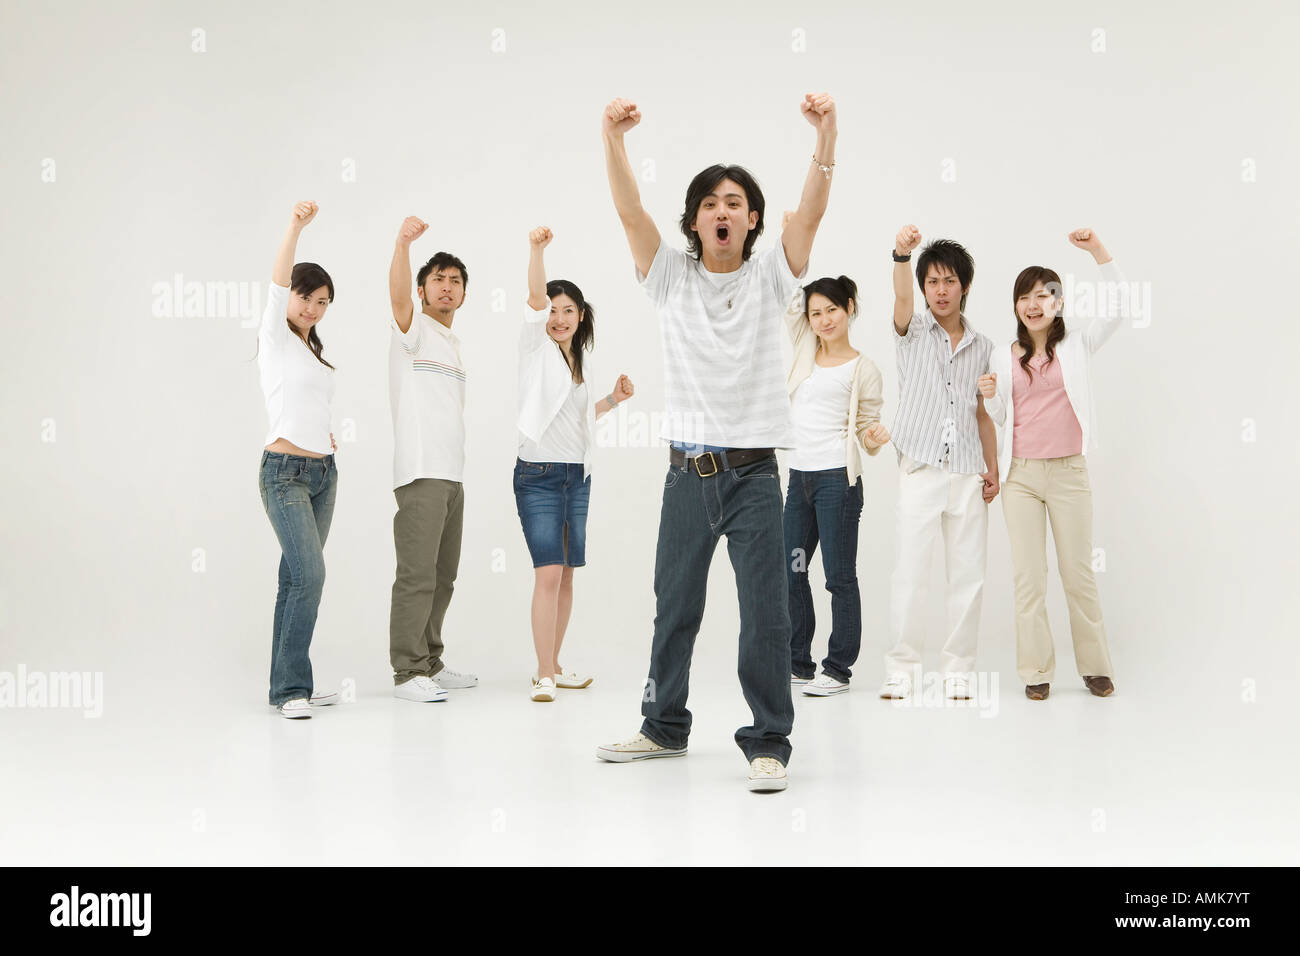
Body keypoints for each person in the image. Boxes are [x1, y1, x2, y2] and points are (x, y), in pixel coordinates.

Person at [594, 93, 839, 793]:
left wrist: (825, 136)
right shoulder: (669, 277)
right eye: (709, 203)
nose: (722, 211)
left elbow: (814, 212)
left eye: (734, 202)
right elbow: (627, 211)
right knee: (674, 607)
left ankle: (768, 742)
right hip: (685, 475)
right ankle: (663, 726)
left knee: (766, 615)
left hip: (756, 475)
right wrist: (610, 138)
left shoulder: (772, 277)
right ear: (695, 220)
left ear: (753, 218)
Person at [979, 228, 1123, 701]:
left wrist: (1098, 253)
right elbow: (1003, 417)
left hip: (1068, 473)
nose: (1035, 304)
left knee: (1078, 572)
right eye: (1026, 297)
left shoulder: (1077, 346)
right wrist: (990, 396)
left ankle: (1095, 667)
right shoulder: (1003, 354)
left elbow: (1118, 308)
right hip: (1021, 475)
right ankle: (1035, 671)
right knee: (1028, 577)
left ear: (1059, 303)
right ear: (1016, 306)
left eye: (1045, 295)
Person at [880, 226, 999, 702]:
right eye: (933, 282)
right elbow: (901, 293)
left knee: (968, 577)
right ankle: (903, 669)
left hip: (968, 471)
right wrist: (901, 257)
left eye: (950, 281)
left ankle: (958, 672)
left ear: (965, 286)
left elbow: (983, 415)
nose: (941, 291)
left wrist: (992, 469)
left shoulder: (984, 347)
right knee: (910, 572)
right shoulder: (911, 330)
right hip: (921, 467)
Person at [517, 226, 635, 702]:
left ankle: (555, 664)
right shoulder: (535, 348)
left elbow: (577, 417)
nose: (559, 318)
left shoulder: (575, 358)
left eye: (568, 311)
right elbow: (531, 295)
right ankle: (543, 671)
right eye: (552, 310)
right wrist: (537, 251)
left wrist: (612, 399)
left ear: (580, 316)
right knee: (548, 572)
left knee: (566, 573)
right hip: (539, 475)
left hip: (575, 475)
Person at [782, 268, 890, 697]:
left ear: (849, 310)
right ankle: (798, 663)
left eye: (832, 310)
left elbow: (866, 425)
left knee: (838, 577)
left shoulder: (864, 368)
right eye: (816, 313)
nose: (824, 320)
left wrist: (874, 437)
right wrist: (798, 264)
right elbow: (790, 304)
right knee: (791, 568)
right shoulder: (803, 350)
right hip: (799, 478)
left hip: (837, 483)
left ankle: (838, 668)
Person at [387, 216, 477, 702]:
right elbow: (396, 296)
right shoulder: (414, 330)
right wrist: (402, 245)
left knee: (444, 576)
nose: (447, 287)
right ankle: (406, 672)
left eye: (455, 281)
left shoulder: (454, 345)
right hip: (421, 471)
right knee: (417, 575)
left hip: (452, 475)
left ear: (463, 295)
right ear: (423, 291)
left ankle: (430, 661)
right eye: (438, 280)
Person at [257, 200, 341, 719]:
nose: (312, 308)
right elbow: (274, 283)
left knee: (294, 578)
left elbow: (311, 401)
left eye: (323, 301)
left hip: (323, 475)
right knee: (311, 576)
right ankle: (290, 689)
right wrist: (295, 227)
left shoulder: (313, 351)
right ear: (291, 296)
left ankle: (290, 685)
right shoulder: (274, 338)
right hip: (283, 475)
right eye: (305, 297)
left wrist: (328, 439)